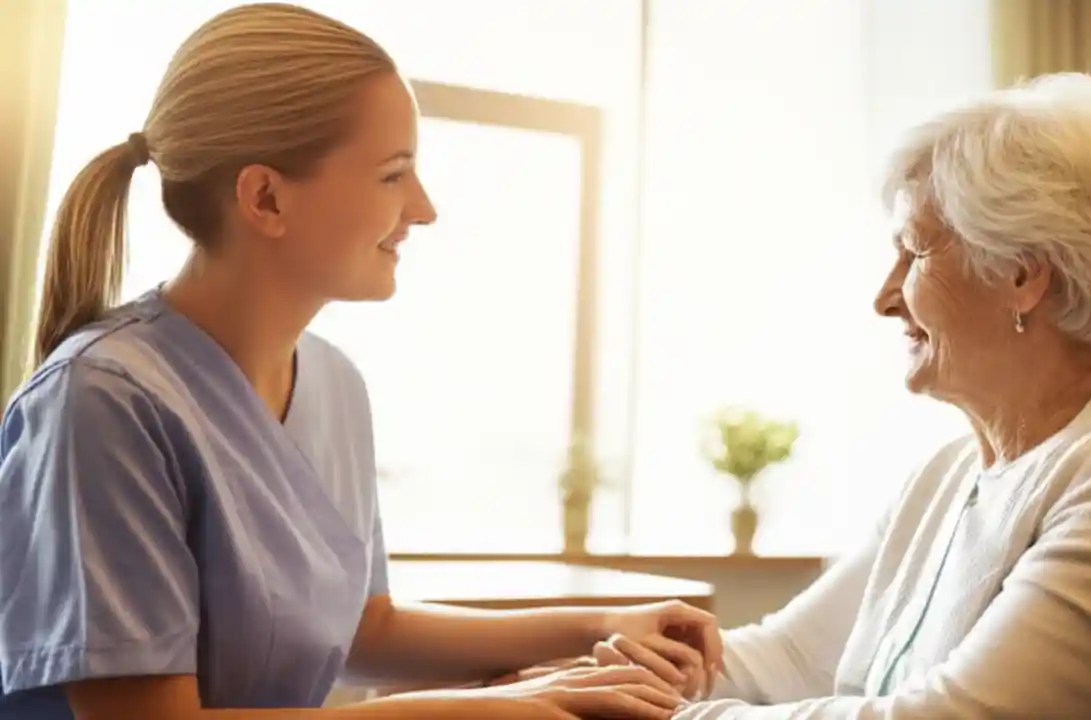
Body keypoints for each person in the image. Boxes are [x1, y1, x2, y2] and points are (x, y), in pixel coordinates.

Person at [0, 4, 721, 719]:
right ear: (265, 197)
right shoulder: (101, 401)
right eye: (392, 175)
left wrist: (598, 624)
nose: (425, 208)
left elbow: (366, 629)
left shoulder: (335, 384)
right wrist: (493, 709)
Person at [599, 73, 1091, 718]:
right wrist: (614, 680)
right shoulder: (946, 477)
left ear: (1022, 276)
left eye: (915, 253)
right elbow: (791, 657)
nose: (884, 297)